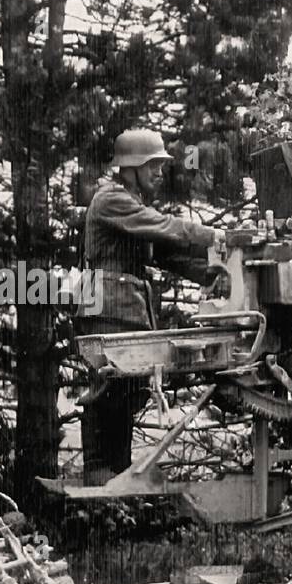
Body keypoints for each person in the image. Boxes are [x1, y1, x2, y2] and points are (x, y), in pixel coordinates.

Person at [76, 128, 226, 485]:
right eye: (153, 165)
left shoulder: (130, 204)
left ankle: (117, 473)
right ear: (130, 167)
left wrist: (211, 275)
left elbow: (163, 255)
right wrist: (214, 235)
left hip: (124, 309)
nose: (160, 172)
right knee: (108, 385)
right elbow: (163, 227)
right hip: (107, 307)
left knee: (129, 390)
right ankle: (98, 469)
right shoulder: (112, 199)